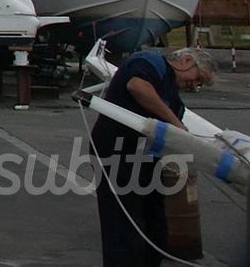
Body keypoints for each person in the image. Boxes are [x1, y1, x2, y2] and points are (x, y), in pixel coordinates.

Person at [89, 47, 216, 267]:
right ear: (186, 60)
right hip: (116, 152)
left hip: (145, 160)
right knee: (124, 222)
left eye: (199, 85)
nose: (194, 86)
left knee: (154, 221)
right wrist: (176, 125)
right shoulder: (151, 62)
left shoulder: (175, 101)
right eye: (197, 79)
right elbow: (137, 87)